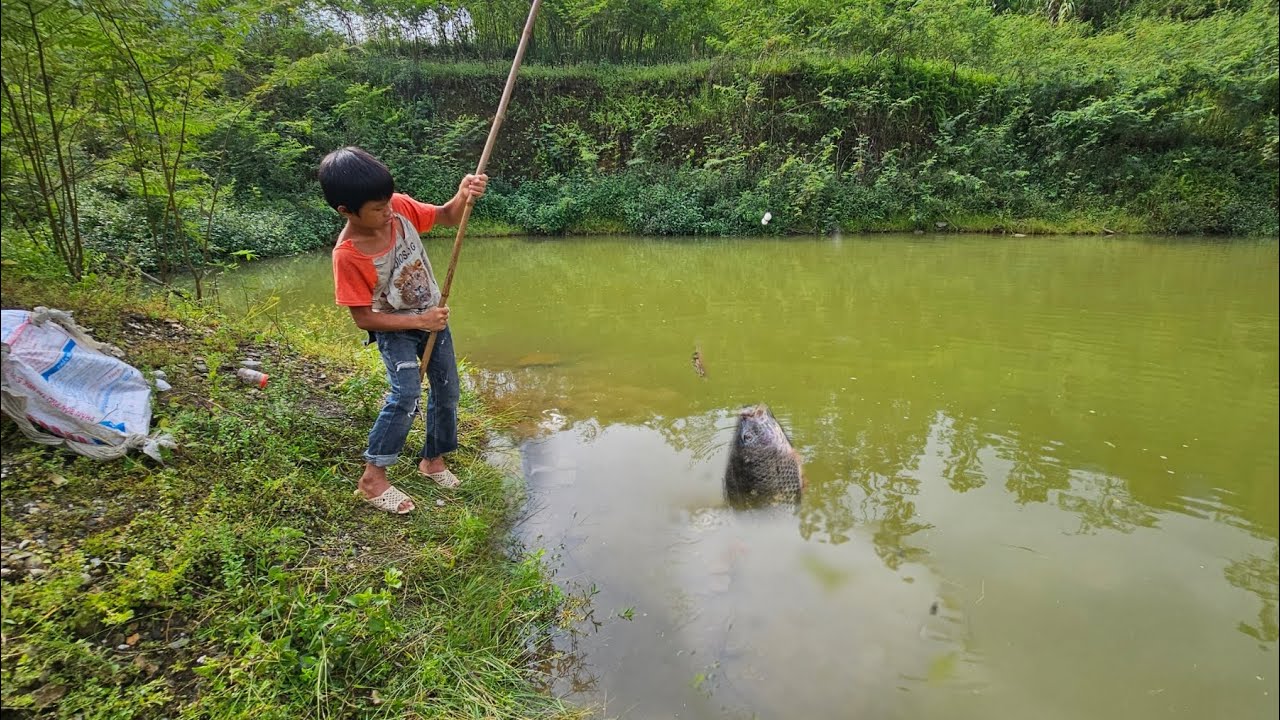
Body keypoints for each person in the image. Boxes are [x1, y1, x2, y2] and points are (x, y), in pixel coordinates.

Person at [320, 146, 488, 514]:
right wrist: (418, 322)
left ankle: (433, 460)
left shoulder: (398, 208)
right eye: (377, 210)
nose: (388, 212)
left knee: (447, 391)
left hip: (432, 319)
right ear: (346, 211)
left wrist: (463, 194)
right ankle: (373, 478)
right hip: (395, 326)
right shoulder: (348, 254)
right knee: (406, 394)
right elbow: (364, 318)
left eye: (387, 203)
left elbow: (446, 216)